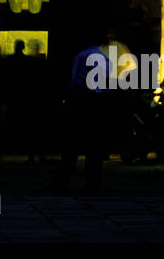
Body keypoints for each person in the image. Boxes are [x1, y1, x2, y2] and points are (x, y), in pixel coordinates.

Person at [50, 33, 117, 193]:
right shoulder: (104, 58)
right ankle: (93, 183)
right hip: (98, 101)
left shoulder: (83, 56)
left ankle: (62, 181)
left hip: (83, 101)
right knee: (95, 147)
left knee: (71, 145)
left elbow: (78, 81)